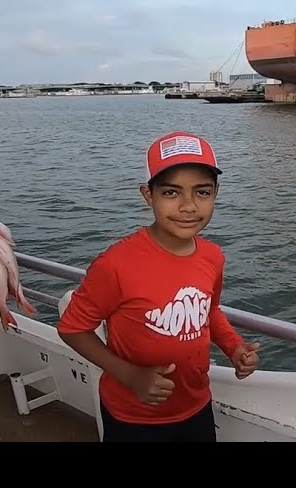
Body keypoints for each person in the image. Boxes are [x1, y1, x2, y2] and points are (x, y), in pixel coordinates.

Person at [57, 131, 260, 442]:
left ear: (217, 194)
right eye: (171, 193)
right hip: (132, 416)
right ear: (147, 195)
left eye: (202, 192)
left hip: (196, 407)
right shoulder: (115, 265)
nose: (189, 206)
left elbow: (209, 310)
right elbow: (72, 328)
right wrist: (130, 376)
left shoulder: (213, 257)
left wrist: (233, 347)